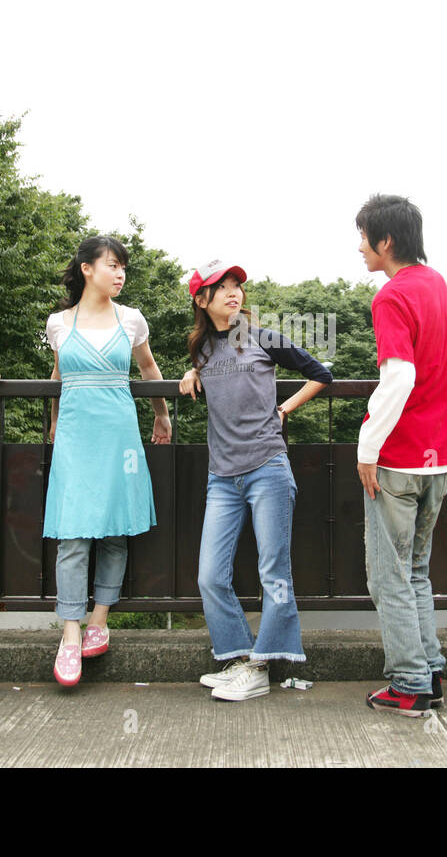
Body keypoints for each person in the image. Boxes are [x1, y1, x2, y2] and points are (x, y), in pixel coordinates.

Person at [179, 260, 330, 701]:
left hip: (267, 469)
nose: (233, 293)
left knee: (273, 572)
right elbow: (202, 370)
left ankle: (262, 668)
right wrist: (191, 372)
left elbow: (320, 373)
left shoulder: (263, 338)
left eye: (236, 286)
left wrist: (285, 409)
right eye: (220, 287)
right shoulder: (202, 351)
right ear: (201, 300)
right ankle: (240, 658)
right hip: (221, 478)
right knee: (210, 575)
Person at [43, 235, 170, 688]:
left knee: (114, 530)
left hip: (119, 435)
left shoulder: (131, 319)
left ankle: (100, 618)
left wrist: (162, 416)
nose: (119, 274)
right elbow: (57, 378)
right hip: (76, 436)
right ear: (86, 269)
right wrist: (55, 424)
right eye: (112, 265)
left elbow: (149, 370)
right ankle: (71, 634)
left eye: (123, 268)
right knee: (73, 534)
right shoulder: (59, 323)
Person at [354, 195, 447, 717]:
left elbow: (399, 375)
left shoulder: (391, 296)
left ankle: (410, 685)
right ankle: (430, 672)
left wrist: (367, 446)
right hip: (440, 458)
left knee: (387, 576)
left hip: (398, 459)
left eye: (363, 236)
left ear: (385, 241)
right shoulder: (436, 283)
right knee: (416, 569)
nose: (360, 247)